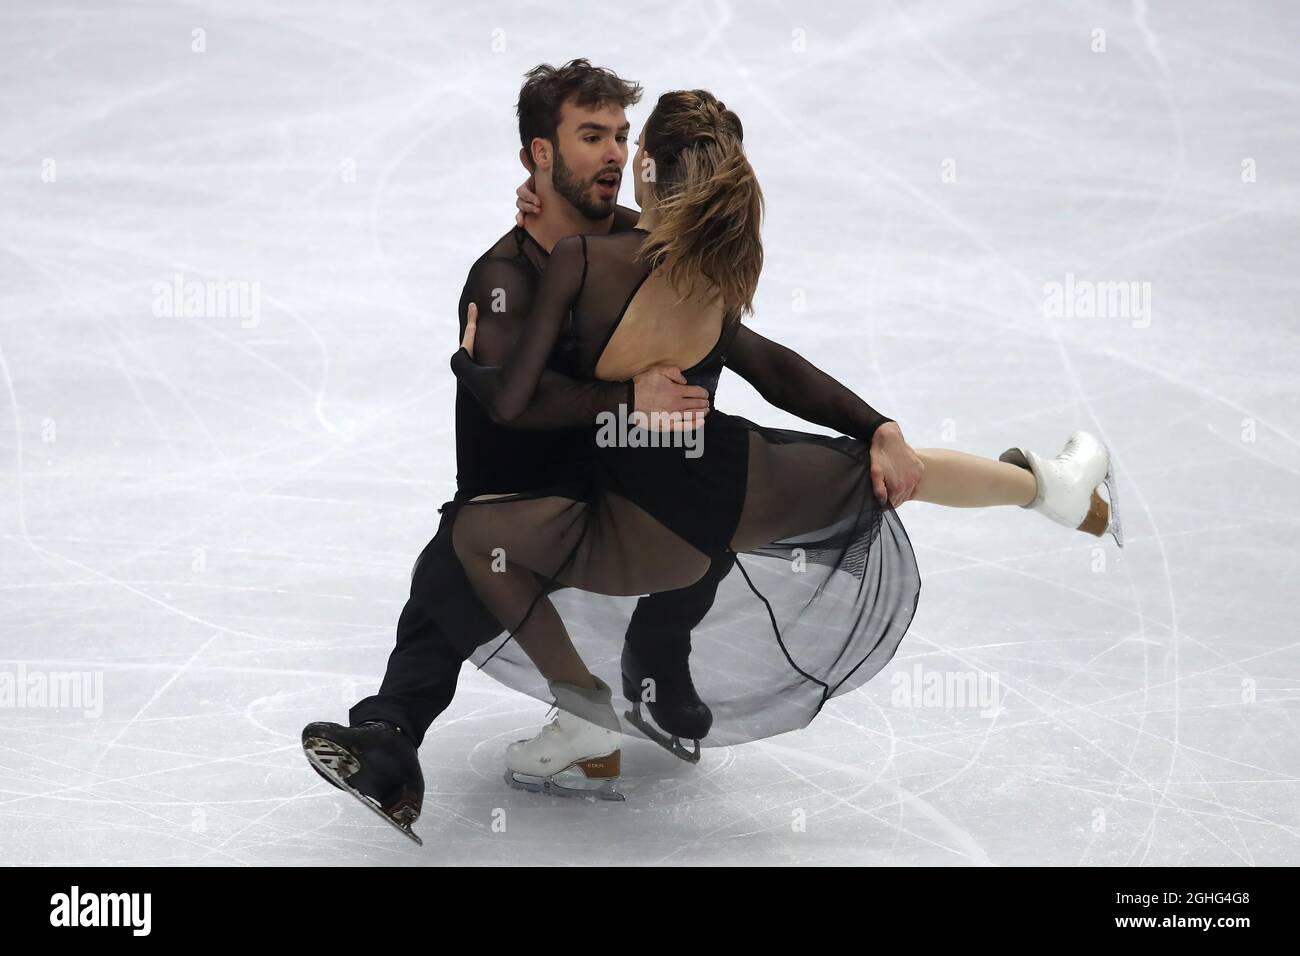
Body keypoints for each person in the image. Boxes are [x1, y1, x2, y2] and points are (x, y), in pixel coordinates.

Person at [300, 61, 928, 842]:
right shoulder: (502, 279)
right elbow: (513, 416)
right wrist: (624, 401)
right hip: (538, 487)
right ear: (539, 155)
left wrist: (874, 425)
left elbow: (751, 351)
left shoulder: (642, 243)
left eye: (621, 137)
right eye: (590, 136)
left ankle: (654, 669)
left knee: (712, 471)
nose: (612, 154)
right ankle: (393, 736)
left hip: (644, 485)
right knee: (458, 557)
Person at [449, 89, 1122, 801]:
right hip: (736, 492)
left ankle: (584, 714)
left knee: (475, 535)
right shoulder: (710, 273)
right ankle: (1048, 488)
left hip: (645, 528)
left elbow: (515, 400)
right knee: (897, 472)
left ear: (644, 161)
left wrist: (467, 365)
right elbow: (773, 371)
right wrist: (877, 429)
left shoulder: (580, 261)